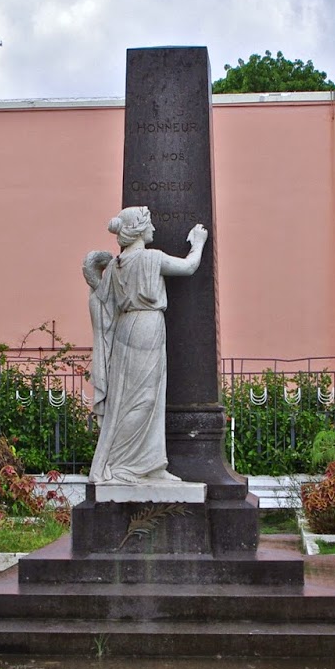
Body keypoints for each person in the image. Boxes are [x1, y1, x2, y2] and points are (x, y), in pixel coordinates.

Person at [83, 206, 208, 484]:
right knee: (144, 399)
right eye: (149, 223)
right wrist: (198, 242)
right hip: (146, 326)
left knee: (135, 398)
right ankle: (122, 464)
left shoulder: (115, 266)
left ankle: (150, 464)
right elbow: (188, 267)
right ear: (138, 229)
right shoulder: (151, 258)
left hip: (126, 327)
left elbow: (103, 305)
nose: (153, 228)